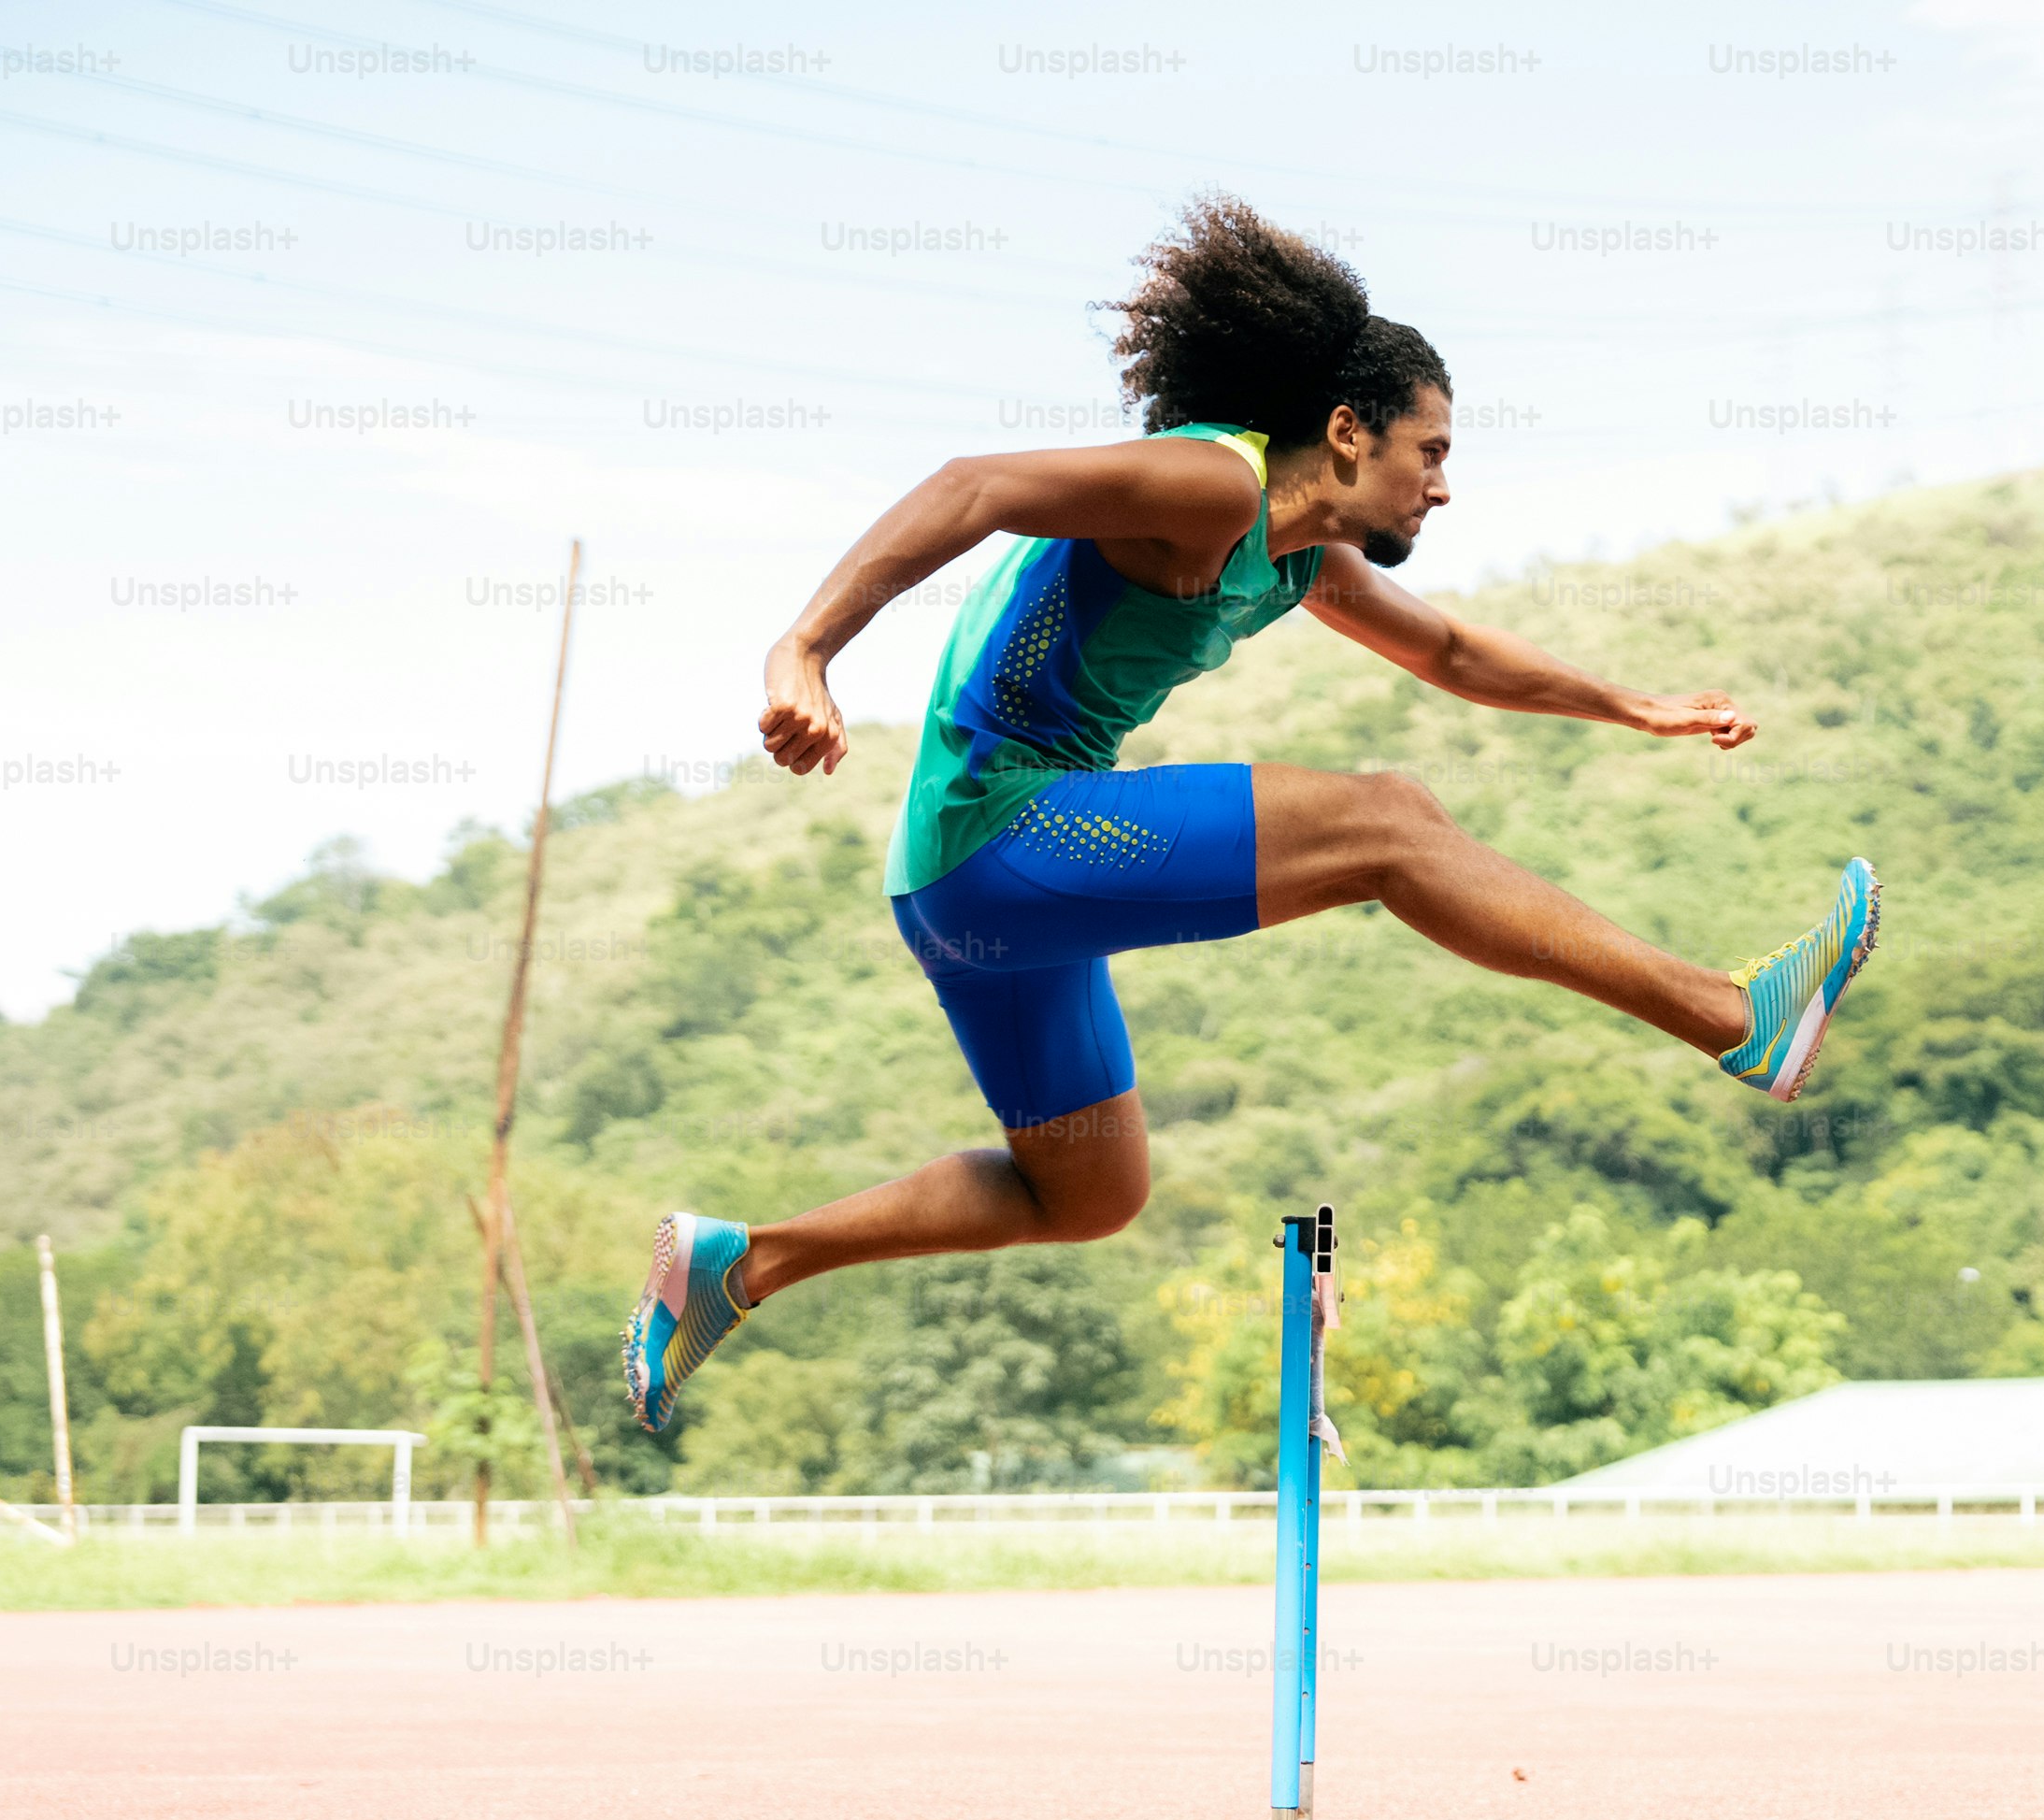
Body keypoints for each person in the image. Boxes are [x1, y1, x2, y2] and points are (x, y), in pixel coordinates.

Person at [625, 197, 1879, 1432]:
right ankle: (1734, 1019)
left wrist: (1636, 707)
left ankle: (742, 1265)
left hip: (963, 899)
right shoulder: (1210, 485)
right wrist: (803, 654)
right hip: (999, 835)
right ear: (1346, 432)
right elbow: (976, 483)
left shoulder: (1295, 557)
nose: (1442, 488)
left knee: (1085, 1193)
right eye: (1430, 452)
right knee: (1389, 822)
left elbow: (1447, 651)